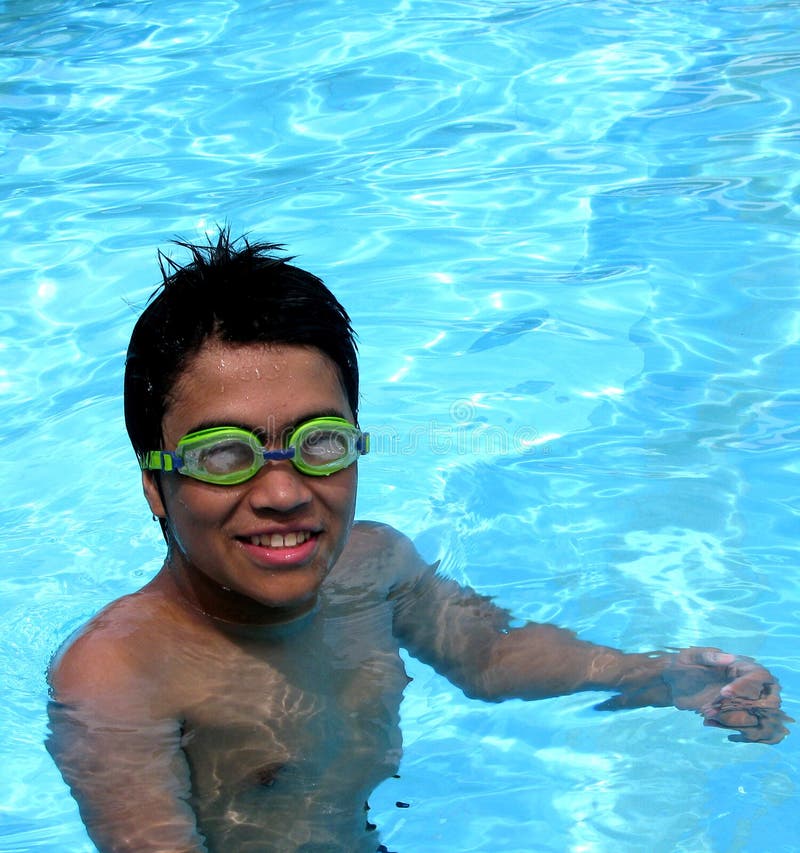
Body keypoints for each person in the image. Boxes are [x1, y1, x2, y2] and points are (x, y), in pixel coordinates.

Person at [46, 229, 791, 853]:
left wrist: (659, 676)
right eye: (222, 454)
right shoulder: (118, 675)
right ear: (155, 485)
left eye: (320, 441)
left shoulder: (372, 568)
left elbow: (492, 657)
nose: (282, 492)